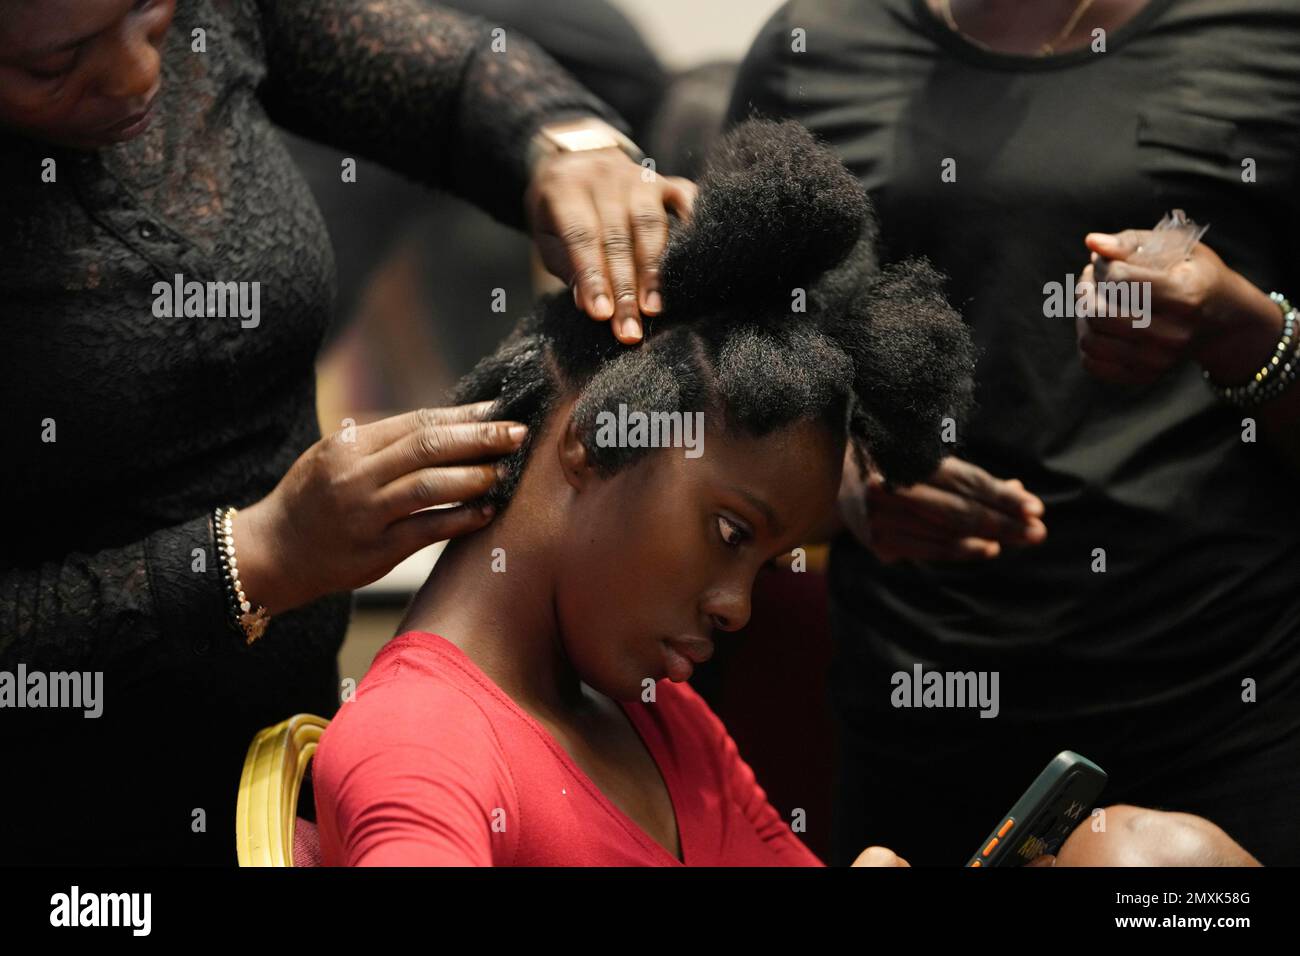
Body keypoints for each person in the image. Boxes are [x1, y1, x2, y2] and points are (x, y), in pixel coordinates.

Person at [0, 0, 695, 864]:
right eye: (56, 62)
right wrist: (253, 557)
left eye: (151, 13)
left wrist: (563, 143)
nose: (138, 71)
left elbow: (447, 79)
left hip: (280, 755)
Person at [726, 0, 1300, 865]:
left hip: (1225, 717)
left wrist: (1246, 333)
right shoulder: (813, 50)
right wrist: (838, 486)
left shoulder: (1269, 34)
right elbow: (728, 399)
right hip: (923, 726)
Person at [312, 119, 976, 865]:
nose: (737, 607)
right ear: (596, 440)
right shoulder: (422, 745)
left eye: (762, 563)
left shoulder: (665, 726)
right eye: (731, 534)